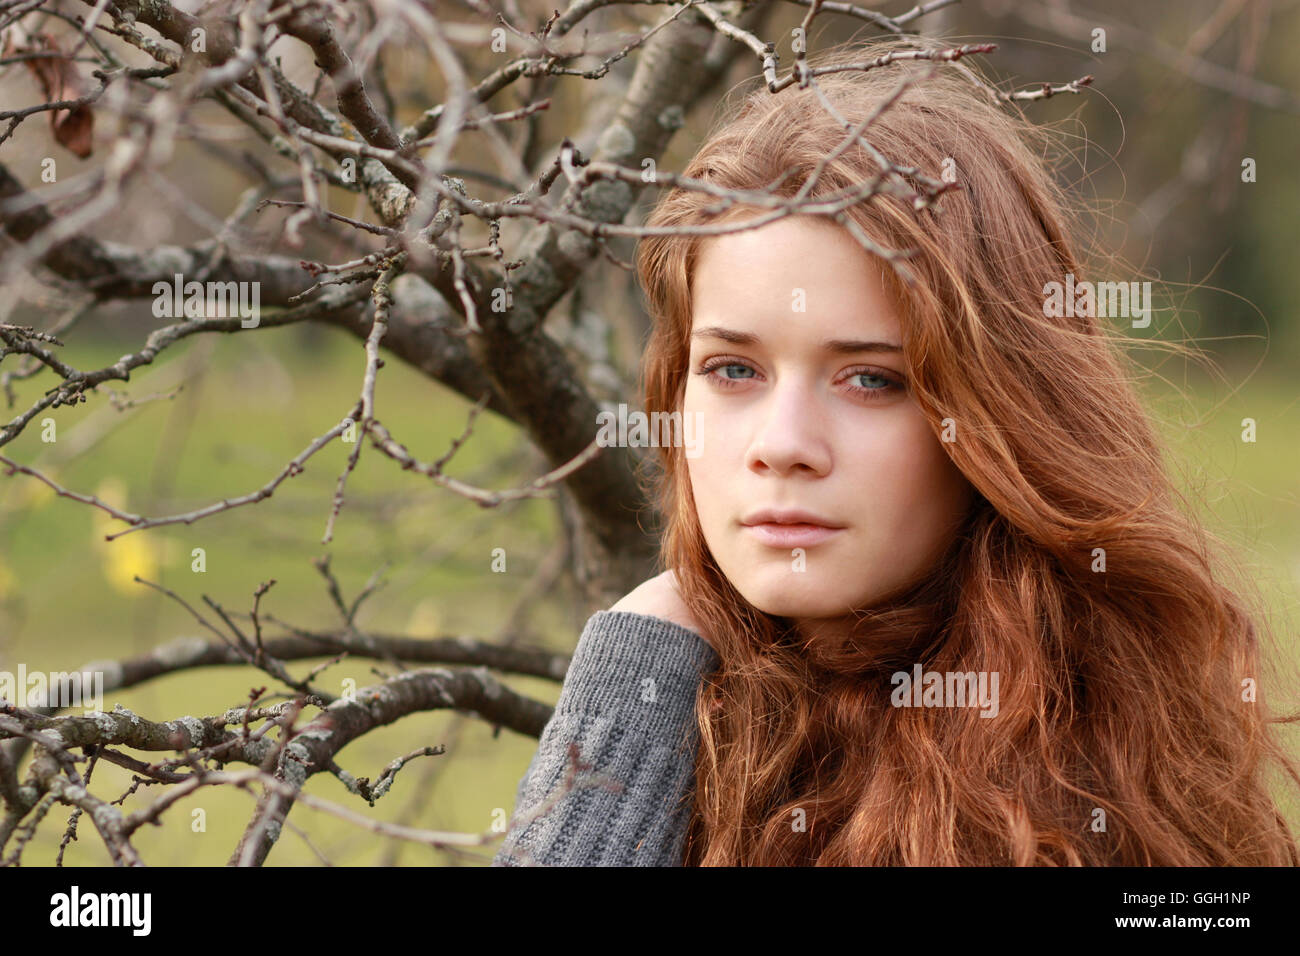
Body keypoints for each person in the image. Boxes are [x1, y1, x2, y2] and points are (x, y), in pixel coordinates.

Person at [492, 34, 1300, 866]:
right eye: (734, 369)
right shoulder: (674, 681)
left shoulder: (1076, 797)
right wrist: (638, 675)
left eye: (871, 380)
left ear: (996, 413)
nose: (783, 447)